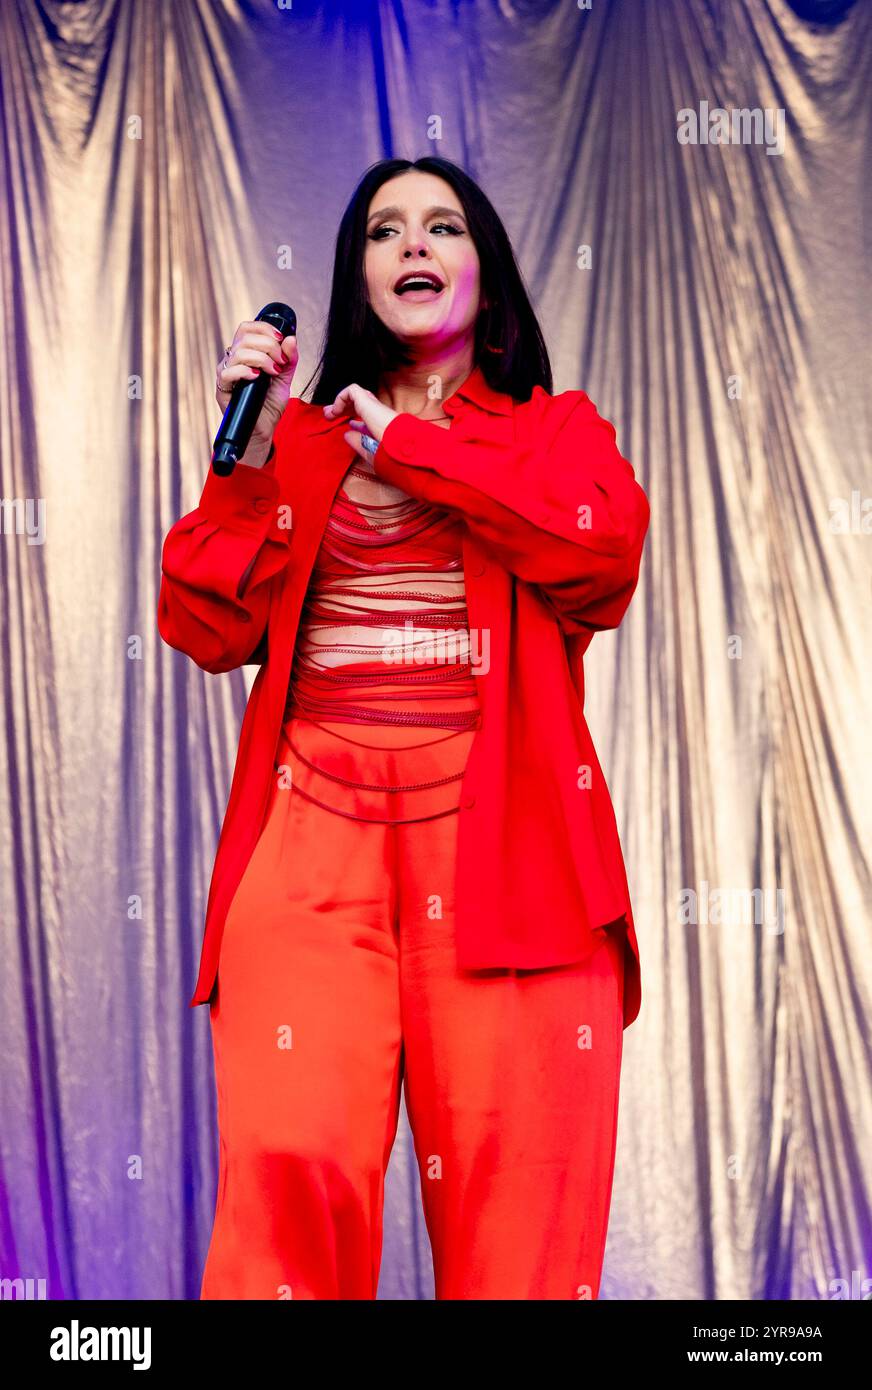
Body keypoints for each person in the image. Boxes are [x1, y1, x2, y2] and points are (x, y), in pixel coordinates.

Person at [157, 155, 650, 1300]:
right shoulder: (301, 444)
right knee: (289, 1164)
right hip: (309, 844)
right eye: (385, 231)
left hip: (508, 860)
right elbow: (198, 622)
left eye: (442, 226)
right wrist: (245, 462)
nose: (413, 246)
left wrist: (415, 448)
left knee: (514, 1238)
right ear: (357, 274)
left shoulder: (553, 432)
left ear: (486, 270)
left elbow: (600, 555)